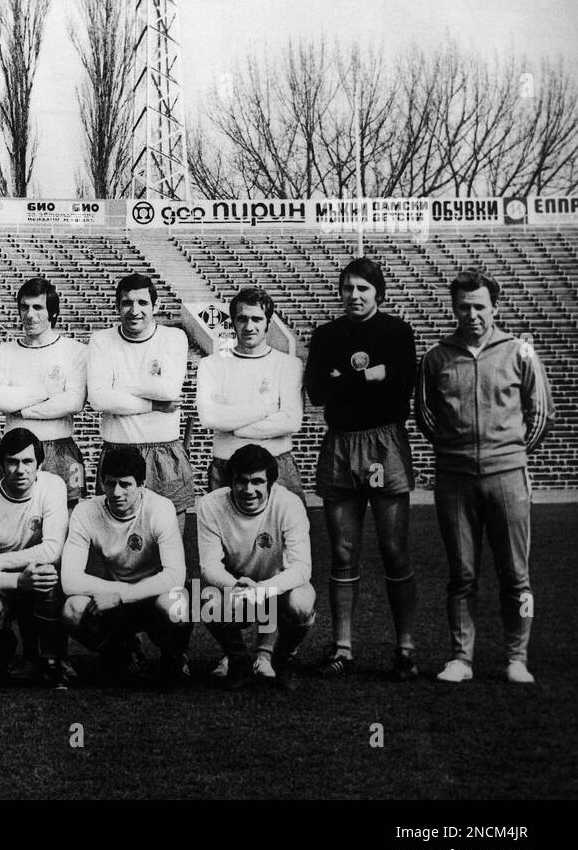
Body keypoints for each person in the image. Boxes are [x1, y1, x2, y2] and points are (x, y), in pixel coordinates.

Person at [416, 269, 555, 685]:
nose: (471, 314)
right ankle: (461, 658)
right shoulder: (436, 357)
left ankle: (517, 658)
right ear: (454, 308)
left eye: (479, 306)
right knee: (462, 575)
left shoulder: (520, 351)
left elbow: (541, 413)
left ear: (495, 306)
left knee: (517, 576)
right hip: (455, 481)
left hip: (507, 477)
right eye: (463, 306)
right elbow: (426, 416)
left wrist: (509, 454)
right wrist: (455, 450)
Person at [305, 259, 419, 681]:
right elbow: (317, 392)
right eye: (348, 287)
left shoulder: (397, 332)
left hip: (383, 442)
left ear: (378, 293)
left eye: (363, 289)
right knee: (343, 551)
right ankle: (343, 647)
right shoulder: (327, 335)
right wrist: (371, 376)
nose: (355, 295)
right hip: (340, 444)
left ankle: (405, 647)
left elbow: (400, 389)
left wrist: (344, 380)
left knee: (394, 548)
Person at [60, 446, 191, 686]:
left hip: (152, 597)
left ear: (141, 485)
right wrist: (114, 592)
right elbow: (69, 580)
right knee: (73, 608)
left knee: (176, 602)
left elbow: (175, 576)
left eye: (125, 484)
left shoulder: (160, 508)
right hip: (113, 602)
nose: (117, 492)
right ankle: (122, 652)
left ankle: (174, 654)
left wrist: (120, 594)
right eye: (110, 484)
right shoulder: (85, 512)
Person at [196, 444, 316, 690]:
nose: (248, 490)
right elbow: (209, 566)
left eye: (257, 482)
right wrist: (235, 585)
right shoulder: (209, 505)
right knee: (204, 596)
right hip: (236, 588)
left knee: (302, 602)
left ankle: (284, 658)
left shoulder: (289, 504)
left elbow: (302, 567)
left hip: (276, 587)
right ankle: (238, 659)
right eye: (241, 481)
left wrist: (263, 588)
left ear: (270, 484)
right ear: (230, 481)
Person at [0, 427, 71, 689]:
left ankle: (50, 658)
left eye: (27, 462)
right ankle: (6, 643)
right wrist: (16, 581)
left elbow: (53, 549)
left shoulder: (53, 486)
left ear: (39, 464)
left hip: (34, 576)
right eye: (12, 462)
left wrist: (0, 561)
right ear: (0, 465)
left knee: (48, 573)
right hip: (5, 585)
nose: (20, 470)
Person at [87, 273, 194, 528]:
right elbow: (99, 398)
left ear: (155, 306)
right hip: (117, 449)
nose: (135, 310)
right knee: (116, 543)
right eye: (127, 303)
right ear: (118, 306)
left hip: (163, 452)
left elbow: (168, 389)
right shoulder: (101, 340)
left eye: (142, 303)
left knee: (169, 542)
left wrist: (117, 384)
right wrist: (152, 405)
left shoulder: (173, 337)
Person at [0, 277, 89, 509]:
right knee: (12, 515)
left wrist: (20, 409)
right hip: (15, 449)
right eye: (24, 307)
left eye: (38, 307)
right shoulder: (3, 352)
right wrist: (46, 392)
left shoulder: (76, 351)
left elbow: (73, 401)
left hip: (60, 449)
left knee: (67, 517)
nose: (30, 314)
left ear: (52, 312)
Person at [196, 286, 304, 500]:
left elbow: (291, 422)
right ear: (233, 322)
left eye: (257, 319)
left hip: (276, 462)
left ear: (268, 323)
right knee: (226, 532)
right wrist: (267, 408)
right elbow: (210, 417)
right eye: (242, 319)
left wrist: (235, 428)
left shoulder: (288, 364)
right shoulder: (212, 364)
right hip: (227, 465)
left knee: (285, 529)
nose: (249, 326)